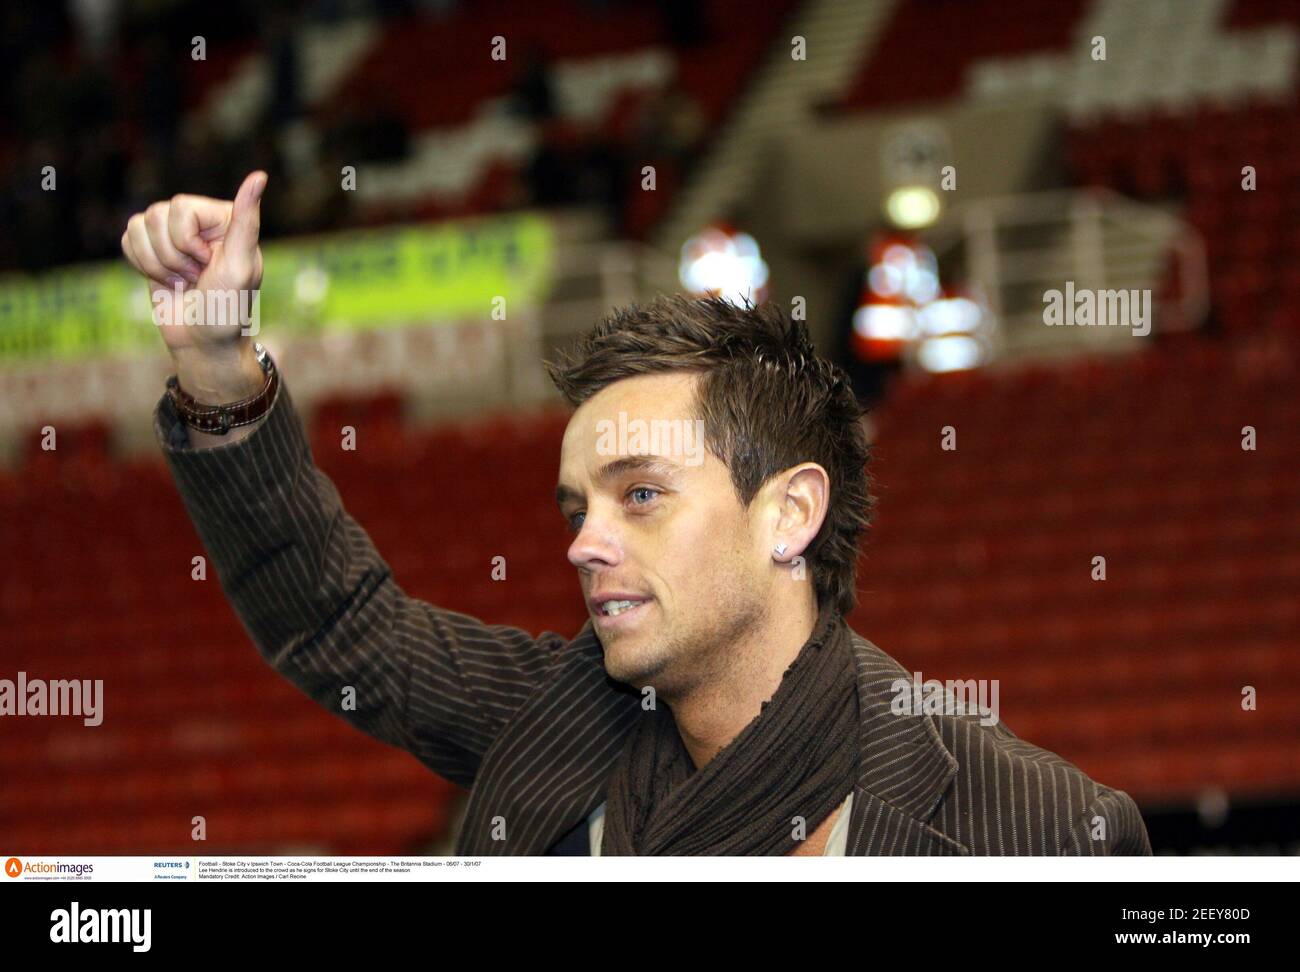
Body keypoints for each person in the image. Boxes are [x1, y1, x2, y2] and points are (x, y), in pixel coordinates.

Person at [120, 171, 1153, 856]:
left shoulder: (1041, 830)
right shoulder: (557, 713)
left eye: (641, 495)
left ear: (788, 513)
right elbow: (346, 629)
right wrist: (217, 367)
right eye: (577, 505)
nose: (583, 542)